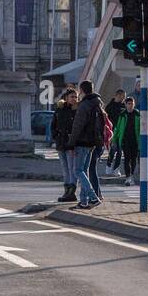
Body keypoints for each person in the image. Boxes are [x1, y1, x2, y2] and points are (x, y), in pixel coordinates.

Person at [69, 80, 107, 209]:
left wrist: (71, 143)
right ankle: (83, 201)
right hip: (92, 142)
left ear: (82, 91)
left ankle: (93, 197)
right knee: (84, 171)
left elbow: (77, 126)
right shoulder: (97, 104)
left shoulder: (84, 105)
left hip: (82, 142)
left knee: (78, 170)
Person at [51, 87, 79, 202]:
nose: (74, 99)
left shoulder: (77, 110)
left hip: (71, 143)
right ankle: (66, 190)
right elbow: (53, 124)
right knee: (64, 168)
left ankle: (72, 192)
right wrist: (55, 136)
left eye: (76, 97)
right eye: (72, 97)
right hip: (61, 142)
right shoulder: (60, 109)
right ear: (66, 98)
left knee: (72, 168)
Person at [112, 95, 140, 186]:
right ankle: (128, 177)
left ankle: (131, 175)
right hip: (125, 140)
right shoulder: (122, 114)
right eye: (128, 103)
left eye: (132, 103)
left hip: (135, 140)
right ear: (125, 104)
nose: (130, 105)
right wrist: (114, 139)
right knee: (127, 158)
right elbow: (118, 127)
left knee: (134, 159)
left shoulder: (137, 114)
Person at [104, 89, 126, 176]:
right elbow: (106, 119)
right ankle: (108, 165)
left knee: (120, 151)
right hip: (112, 132)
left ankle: (116, 169)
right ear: (117, 95)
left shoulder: (124, 106)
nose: (123, 98)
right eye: (122, 96)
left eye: (124, 96)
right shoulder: (110, 106)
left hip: (121, 131)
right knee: (113, 150)